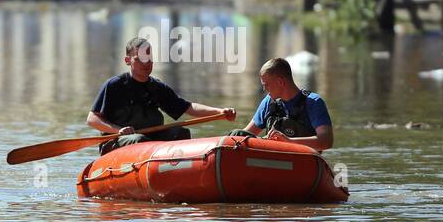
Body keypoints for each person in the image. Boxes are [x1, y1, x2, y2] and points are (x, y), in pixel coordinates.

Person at [87, 37, 236, 154]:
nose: (147, 63)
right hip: (118, 142)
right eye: (140, 59)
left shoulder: (157, 87)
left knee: (180, 132)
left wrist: (220, 112)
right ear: (128, 61)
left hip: (150, 141)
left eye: (149, 58)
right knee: (138, 139)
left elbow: (188, 108)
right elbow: (92, 119)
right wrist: (118, 130)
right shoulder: (114, 85)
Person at [235, 57, 334, 151]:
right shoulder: (269, 102)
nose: (264, 89)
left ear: (280, 82)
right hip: (272, 161)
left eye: (266, 85)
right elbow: (245, 134)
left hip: (303, 162)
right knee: (237, 133)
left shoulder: (314, 102)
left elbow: (326, 141)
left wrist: (289, 142)